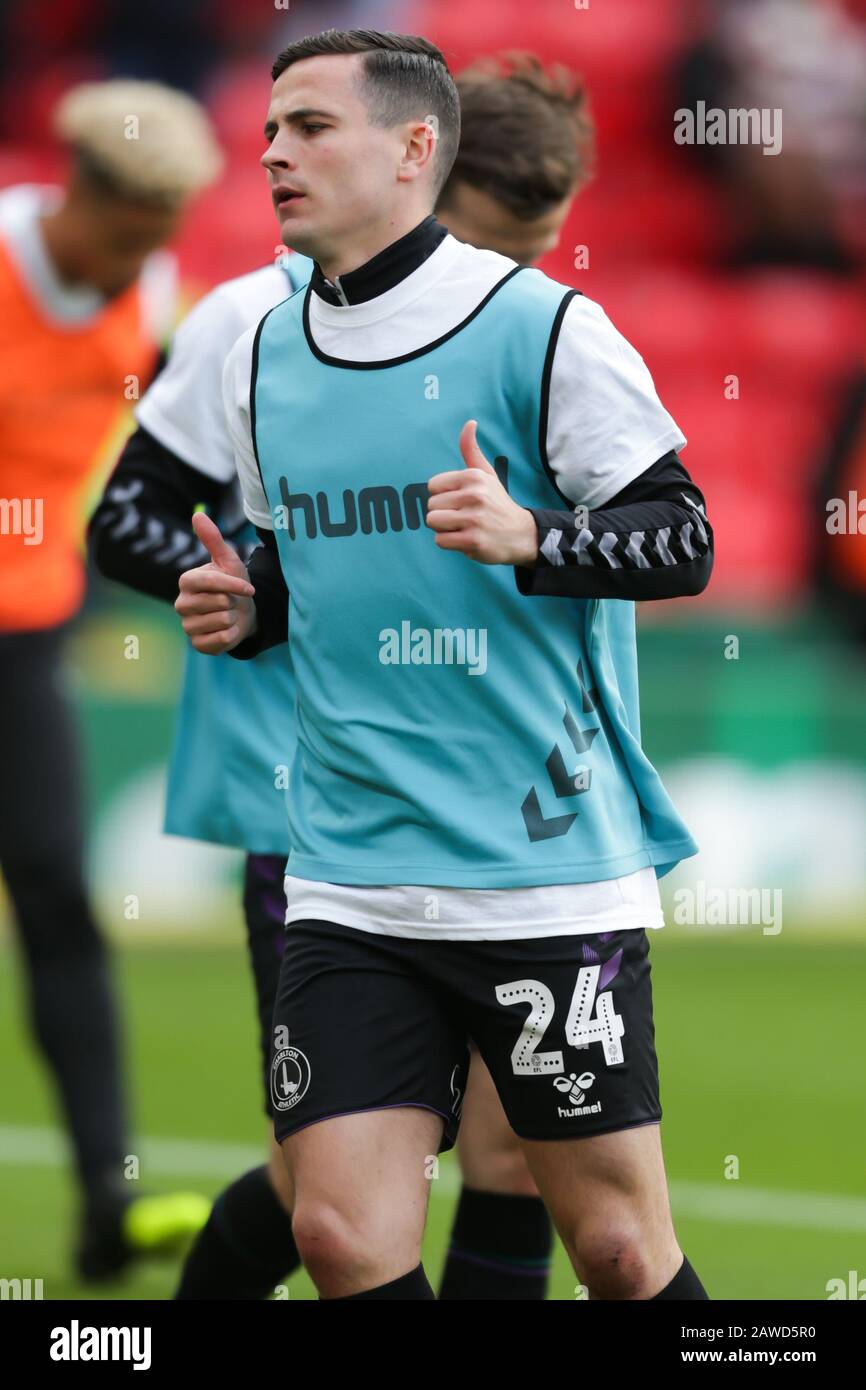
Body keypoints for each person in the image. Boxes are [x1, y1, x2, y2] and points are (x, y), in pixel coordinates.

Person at [178, 28, 714, 1301]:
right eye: (268, 130)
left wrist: (534, 533)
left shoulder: (542, 328)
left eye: (310, 127)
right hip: (350, 871)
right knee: (339, 1235)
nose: (271, 154)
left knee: (619, 1250)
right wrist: (247, 607)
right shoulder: (262, 350)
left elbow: (682, 535)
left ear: (416, 149)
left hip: (535, 870)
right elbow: (307, 576)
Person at [90, 50, 596, 1301]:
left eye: (536, 253)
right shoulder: (255, 323)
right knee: (337, 1182)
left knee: (518, 1148)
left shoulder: (531, 332)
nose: (506, 278)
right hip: (315, 794)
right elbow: (122, 519)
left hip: (504, 803)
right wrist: (258, 601)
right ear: (424, 177)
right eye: (494, 242)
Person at [0, 79, 221, 1279]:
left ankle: (102, 1200)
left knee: (55, 897)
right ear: (76, 188)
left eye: (160, 238)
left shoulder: (148, 294)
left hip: (21, 629)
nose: (142, 259)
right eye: (129, 230)